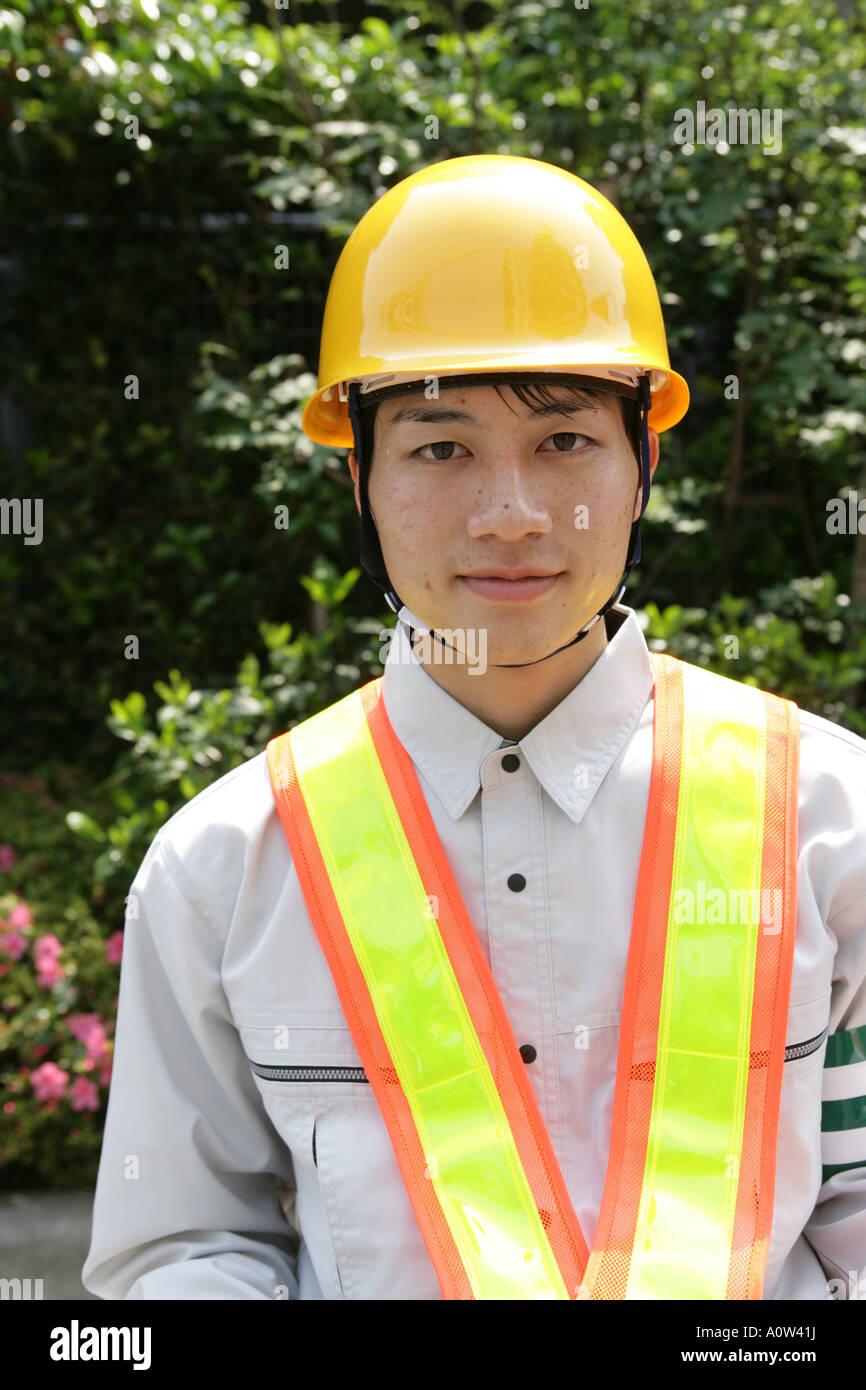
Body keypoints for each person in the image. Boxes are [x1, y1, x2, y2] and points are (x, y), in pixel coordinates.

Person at [82, 155, 866, 1300]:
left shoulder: (826, 826)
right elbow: (184, 1247)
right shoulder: (225, 865)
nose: (510, 514)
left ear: (643, 462)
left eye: (564, 441)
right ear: (358, 477)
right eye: (440, 447)